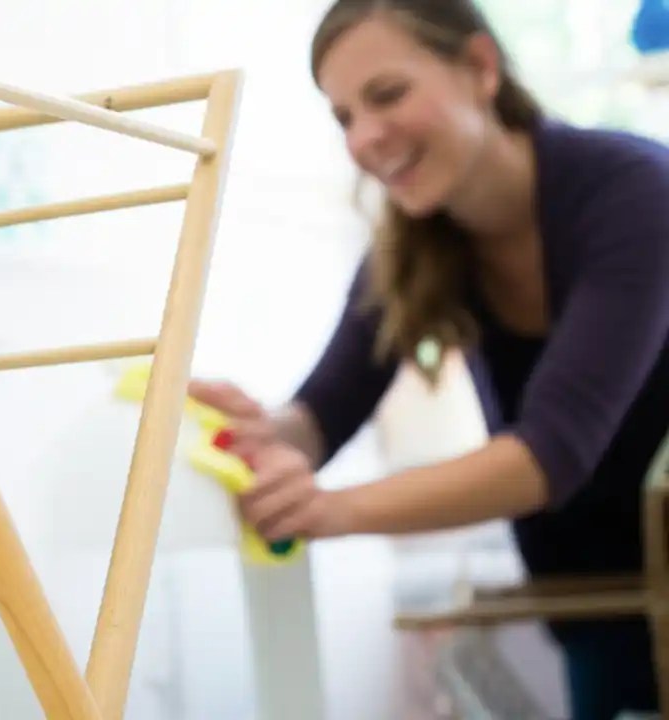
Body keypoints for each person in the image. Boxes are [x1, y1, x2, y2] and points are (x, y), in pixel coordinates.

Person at [189, 0, 669, 717]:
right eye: (343, 117)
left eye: (387, 95)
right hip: (589, 601)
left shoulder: (637, 192)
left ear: (481, 66)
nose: (364, 138)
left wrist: (331, 510)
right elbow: (319, 416)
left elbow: (550, 454)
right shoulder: (410, 251)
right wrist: (258, 436)